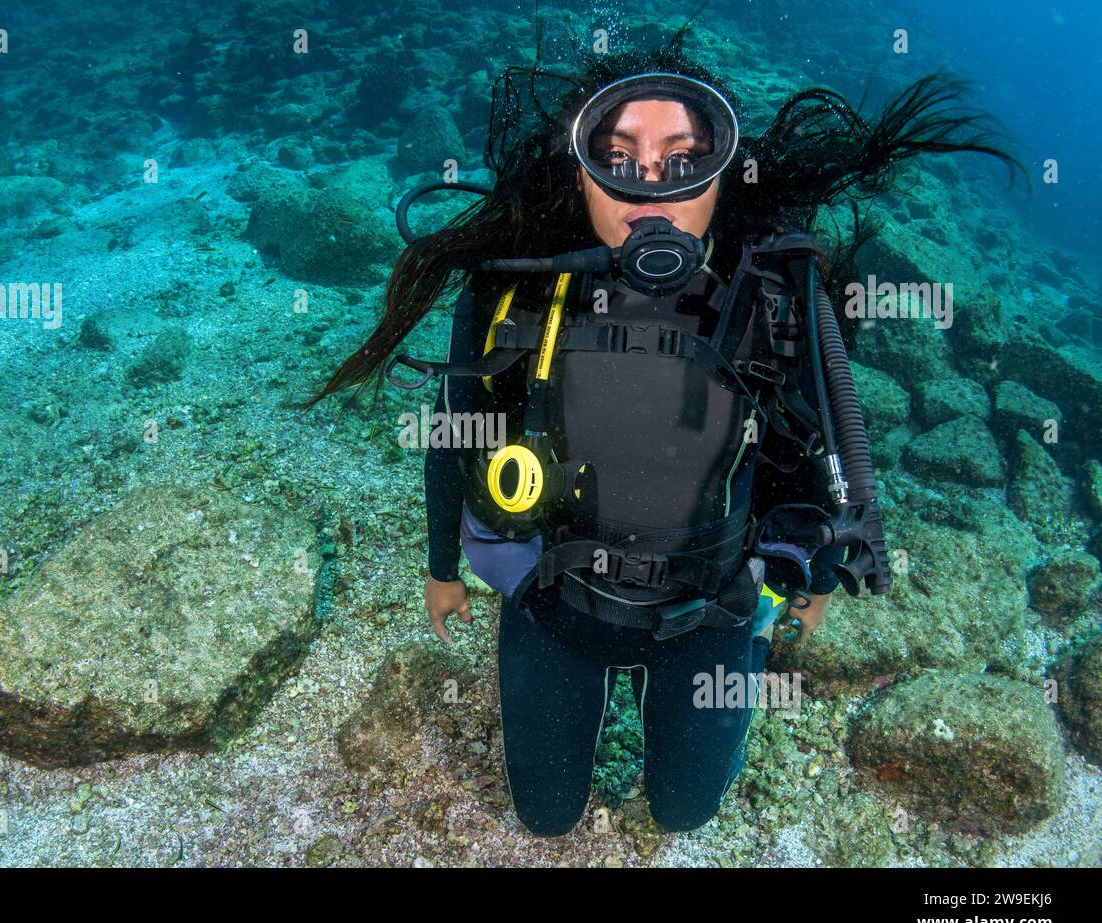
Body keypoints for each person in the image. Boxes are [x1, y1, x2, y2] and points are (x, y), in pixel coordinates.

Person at [300, 28, 1023, 837]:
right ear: (580, 171)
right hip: (554, 606)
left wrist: (812, 578)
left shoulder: (781, 298)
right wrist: (443, 568)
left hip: (710, 613)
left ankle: (686, 694)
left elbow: (820, 454)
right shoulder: (511, 290)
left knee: (685, 813)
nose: (651, 189)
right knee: (543, 818)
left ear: (720, 175)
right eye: (618, 156)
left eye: (682, 161)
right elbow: (453, 435)